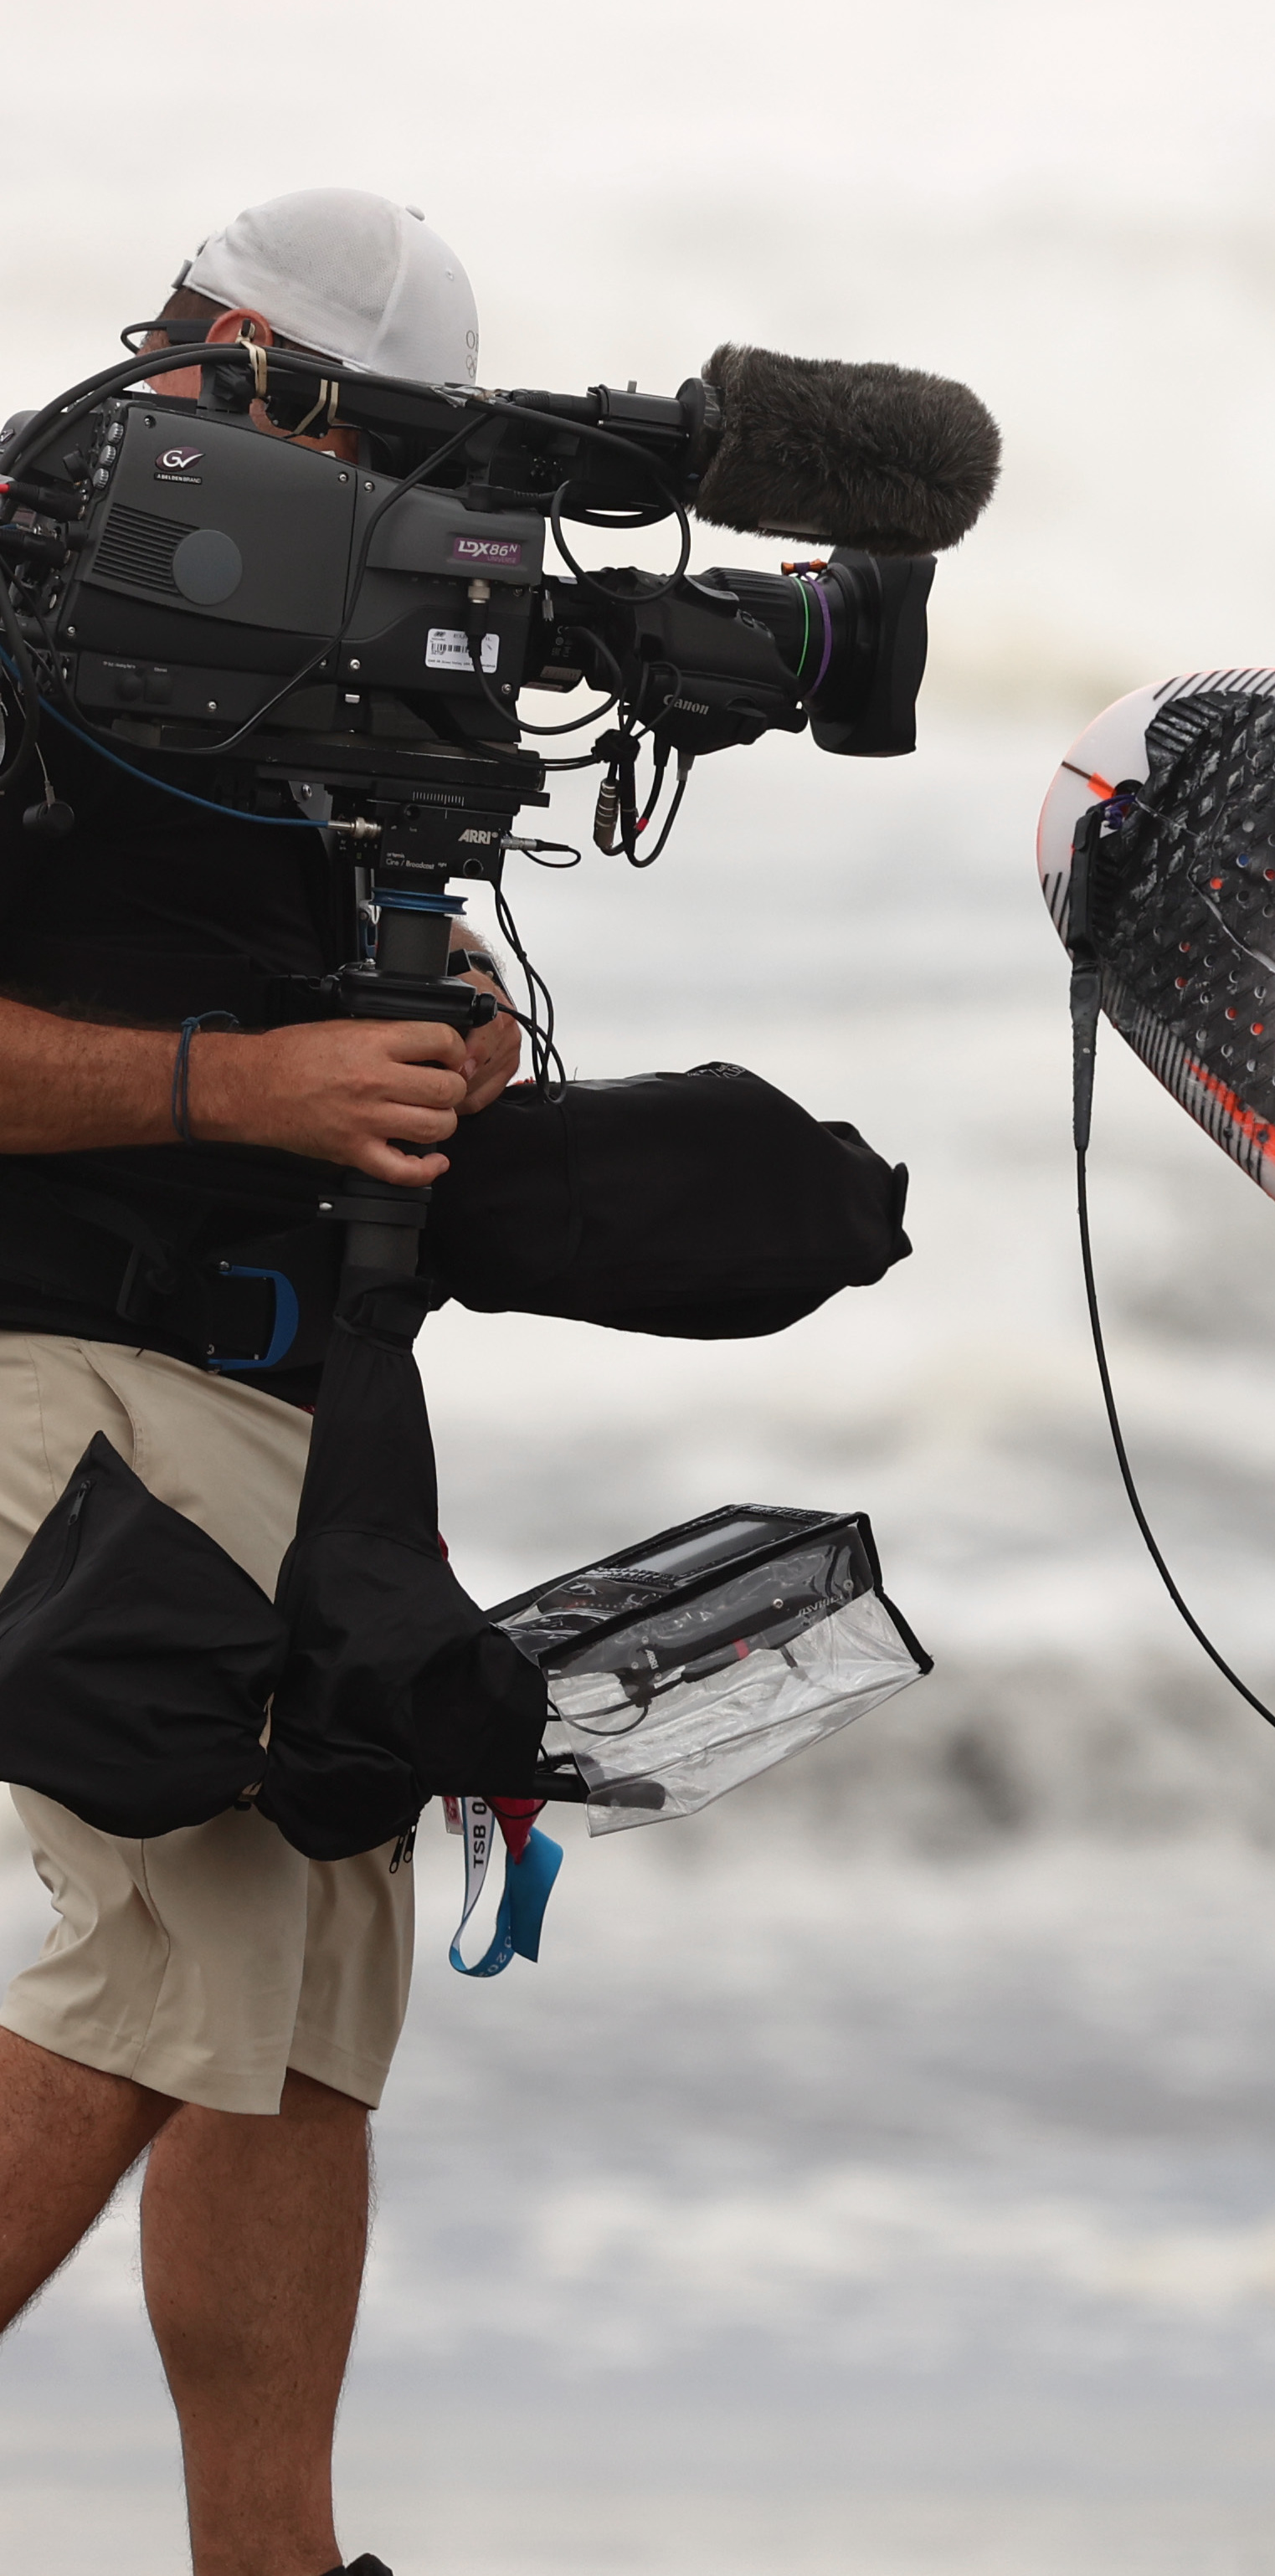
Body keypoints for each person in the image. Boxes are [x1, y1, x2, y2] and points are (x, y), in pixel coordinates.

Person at [0, 189, 521, 2576]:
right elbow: (232, 1063)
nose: (383, 499)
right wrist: (255, 1090)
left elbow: (342, 1007)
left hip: (285, 1396)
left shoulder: (331, 633)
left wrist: (441, 1060)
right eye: (360, 438)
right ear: (221, 366)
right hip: (46, 1360)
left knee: (302, 1983)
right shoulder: (19, 589)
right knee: (181, 1928)